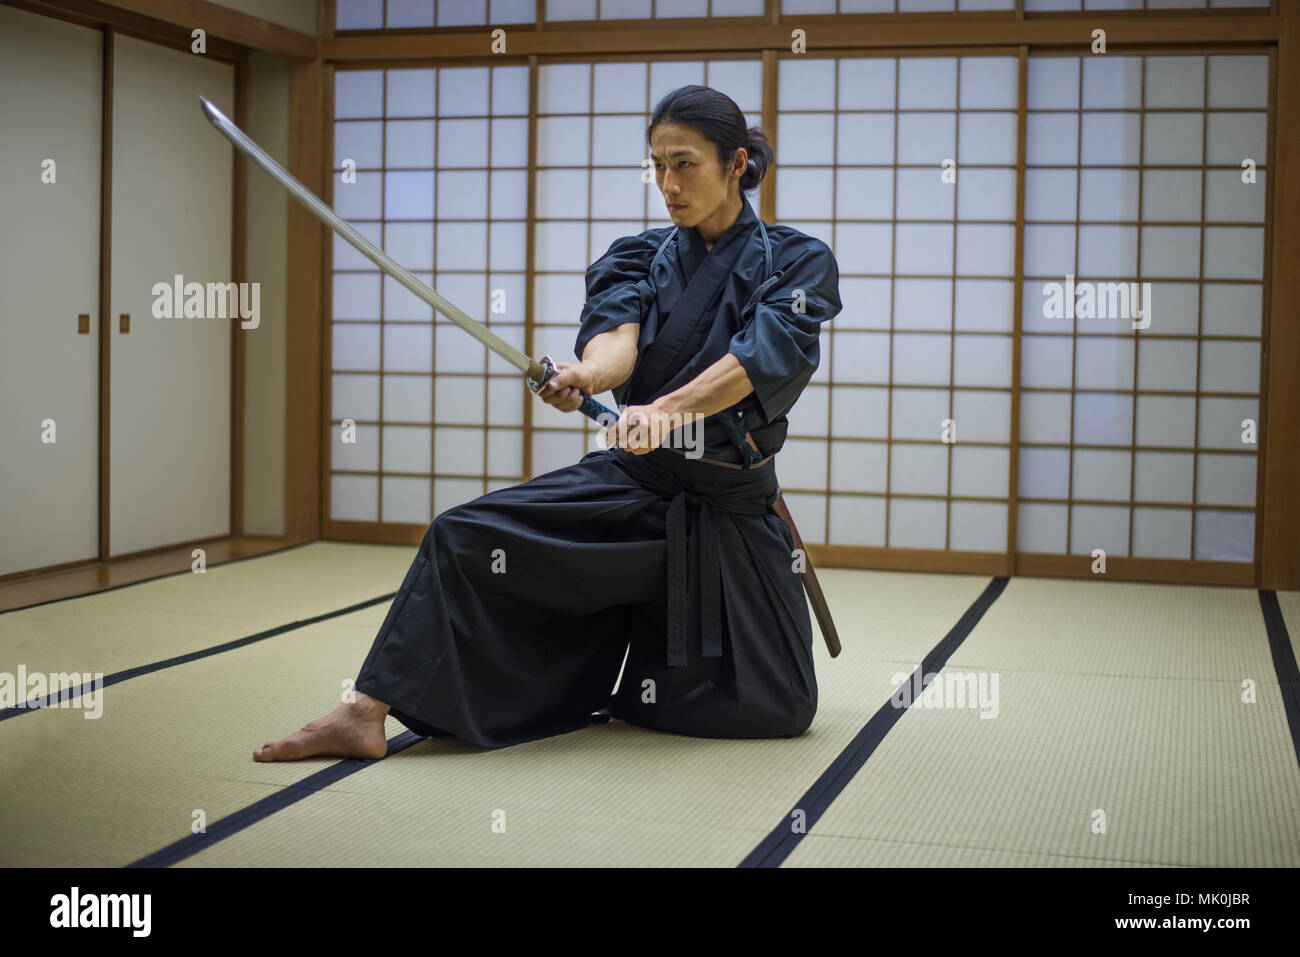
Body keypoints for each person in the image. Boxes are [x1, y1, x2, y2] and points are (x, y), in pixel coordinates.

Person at [254, 84, 843, 762]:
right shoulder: (640, 255)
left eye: (685, 164)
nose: (668, 184)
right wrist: (587, 377)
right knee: (464, 534)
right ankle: (363, 710)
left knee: (776, 706)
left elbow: (757, 358)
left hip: (728, 508)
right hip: (637, 479)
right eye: (656, 166)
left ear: (737, 163)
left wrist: (667, 410)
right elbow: (617, 343)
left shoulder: (797, 262)